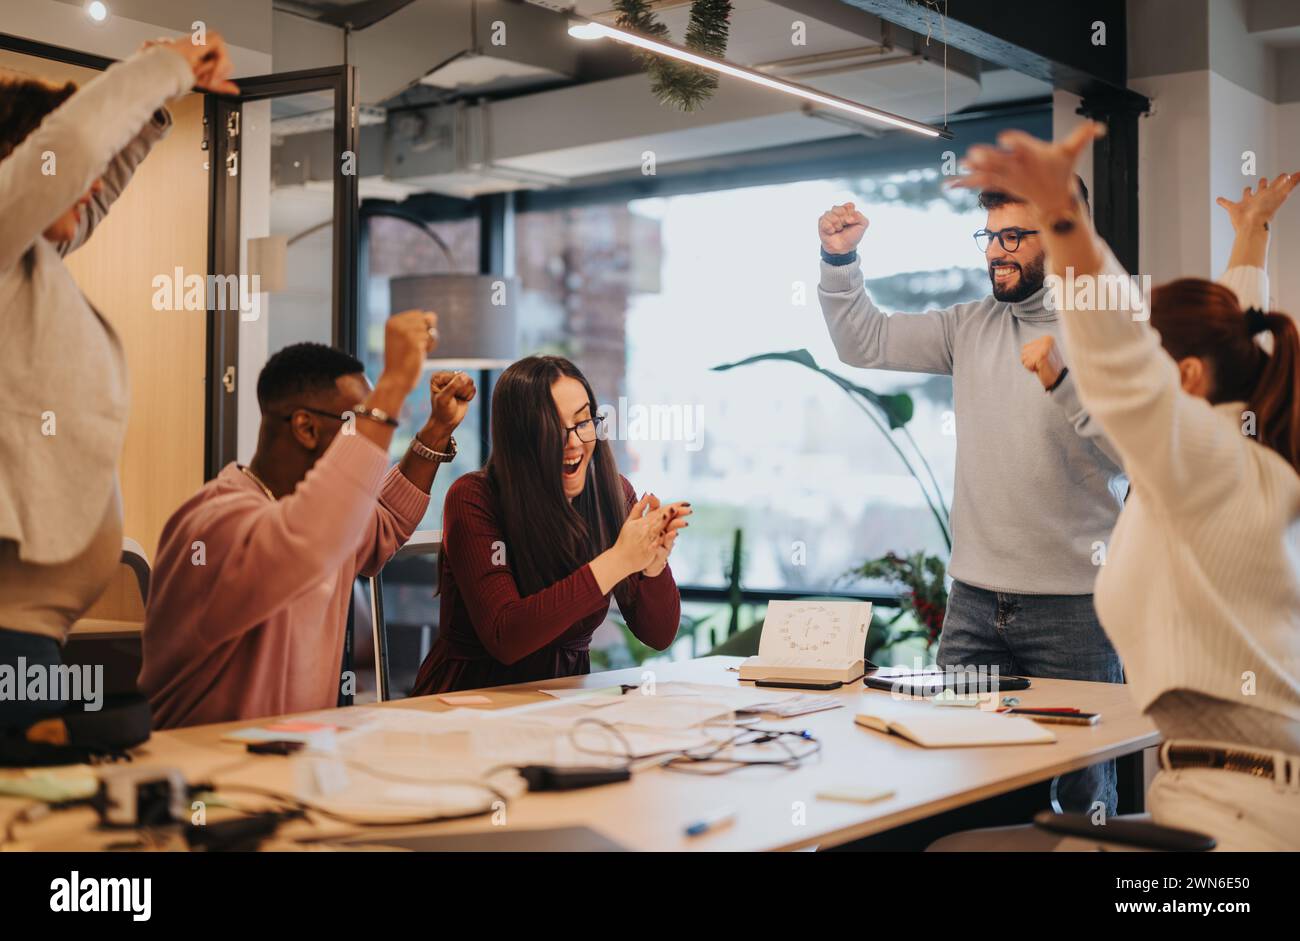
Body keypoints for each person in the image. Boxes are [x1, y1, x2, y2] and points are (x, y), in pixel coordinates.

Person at [935, 125, 1299, 850]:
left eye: (1152, 359)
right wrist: (1251, 239)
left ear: (1183, 379)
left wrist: (1063, 219)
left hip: (1236, 824)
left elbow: (1116, 352)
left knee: (956, 850)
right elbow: (1231, 332)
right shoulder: (1240, 451)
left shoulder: (1204, 463)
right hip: (1219, 801)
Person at [817, 175, 1127, 812]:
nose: (994, 252)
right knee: (959, 784)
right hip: (975, 605)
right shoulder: (969, 326)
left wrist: (1064, 381)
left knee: (1081, 798)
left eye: (1013, 236)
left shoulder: (1108, 333)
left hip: (1075, 609)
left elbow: (1139, 453)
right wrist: (840, 261)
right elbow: (864, 341)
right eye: (988, 236)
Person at [0, 35, 238, 729]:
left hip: (31, 635)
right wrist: (163, 69)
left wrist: (150, 117)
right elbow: (73, 150)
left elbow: (86, 188)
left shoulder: (27, 263)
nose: (92, 182)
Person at [139, 316, 476, 728]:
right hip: (196, 760)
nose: (371, 432)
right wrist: (391, 387)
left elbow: (383, 519)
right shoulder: (213, 523)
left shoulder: (326, 520)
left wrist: (436, 431)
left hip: (294, 756)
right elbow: (303, 541)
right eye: (358, 421)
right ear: (305, 427)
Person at [411, 355, 687, 694]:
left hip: (564, 701)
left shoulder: (612, 493)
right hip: (469, 701)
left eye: (583, 421)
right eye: (552, 427)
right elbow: (506, 635)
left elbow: (658, 634)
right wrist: (617, 561)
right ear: (518, 436)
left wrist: (652, 567)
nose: (573, 442)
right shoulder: (474, 497)